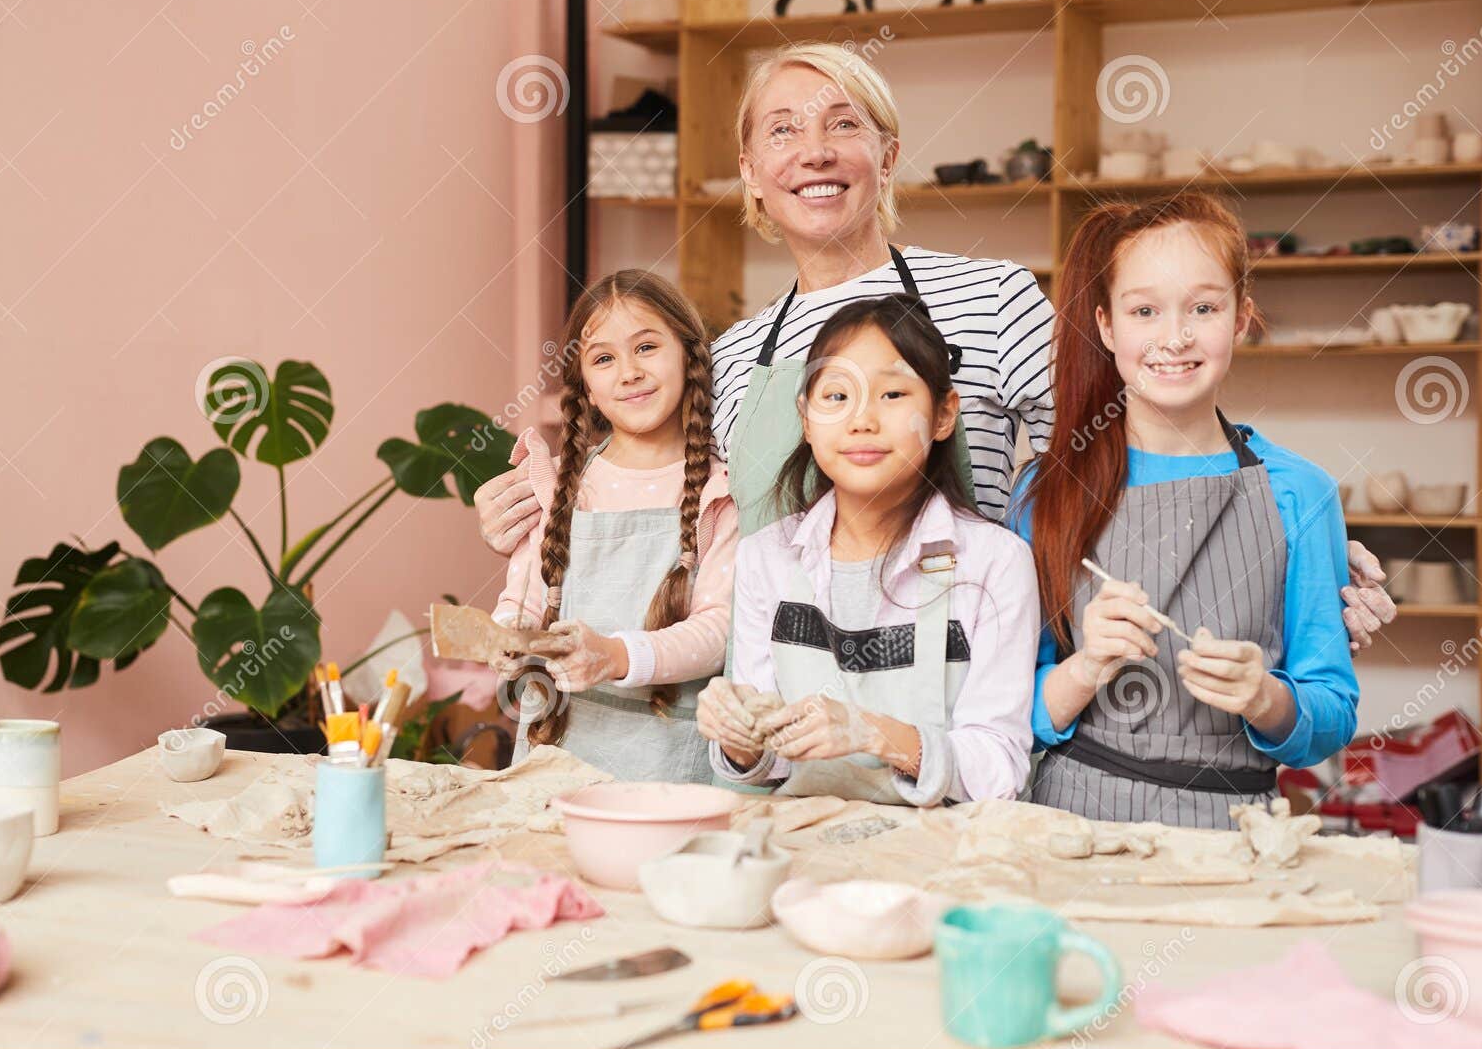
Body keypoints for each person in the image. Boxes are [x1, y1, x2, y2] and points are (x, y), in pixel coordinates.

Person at [474, 41, 1395, 651]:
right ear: (751, 174)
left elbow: (1134, 427)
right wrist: (528, 518)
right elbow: (673, 512)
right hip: (777, 693)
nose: (817, 150)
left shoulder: (991, 297)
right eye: (783, 131)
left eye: (846, 125)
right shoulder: (739, 349)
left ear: (889, 154)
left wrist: (1288, 532)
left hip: (961, 681)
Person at [1010, 192, 1359, 828]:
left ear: (1241, 318)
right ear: (1109, 326)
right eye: (1145, 310)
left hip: (1232, 834)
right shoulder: (1045, 490)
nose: (1175, 337)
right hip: (1067, 826)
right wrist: (1085, 668)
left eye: (1203, 307)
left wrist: (1266, 697)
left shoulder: (1301, 493)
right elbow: (1000, 711)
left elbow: (1331, 715)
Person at [697, 295, 1038, 806]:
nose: (862, 420)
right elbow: (770, 763)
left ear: (944, 414)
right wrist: (741, 741)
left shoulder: (996, 562)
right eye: (836, 396)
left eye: (893, 394)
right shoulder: (767, 557)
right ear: (806, 419)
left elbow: (1000, 770)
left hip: (940, 858)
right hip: (802, 852)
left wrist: (873, 733)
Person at [487, 270, 737, 782]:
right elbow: (524, 601)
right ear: (587, 390)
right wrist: (508, 637)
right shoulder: (555, 486)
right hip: (557, 758)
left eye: (646, 347)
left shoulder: (721, 492)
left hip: (669, 763)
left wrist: (616, 656)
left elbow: (718, 632)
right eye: (604, 358)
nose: (628, 372)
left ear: (691, 357)